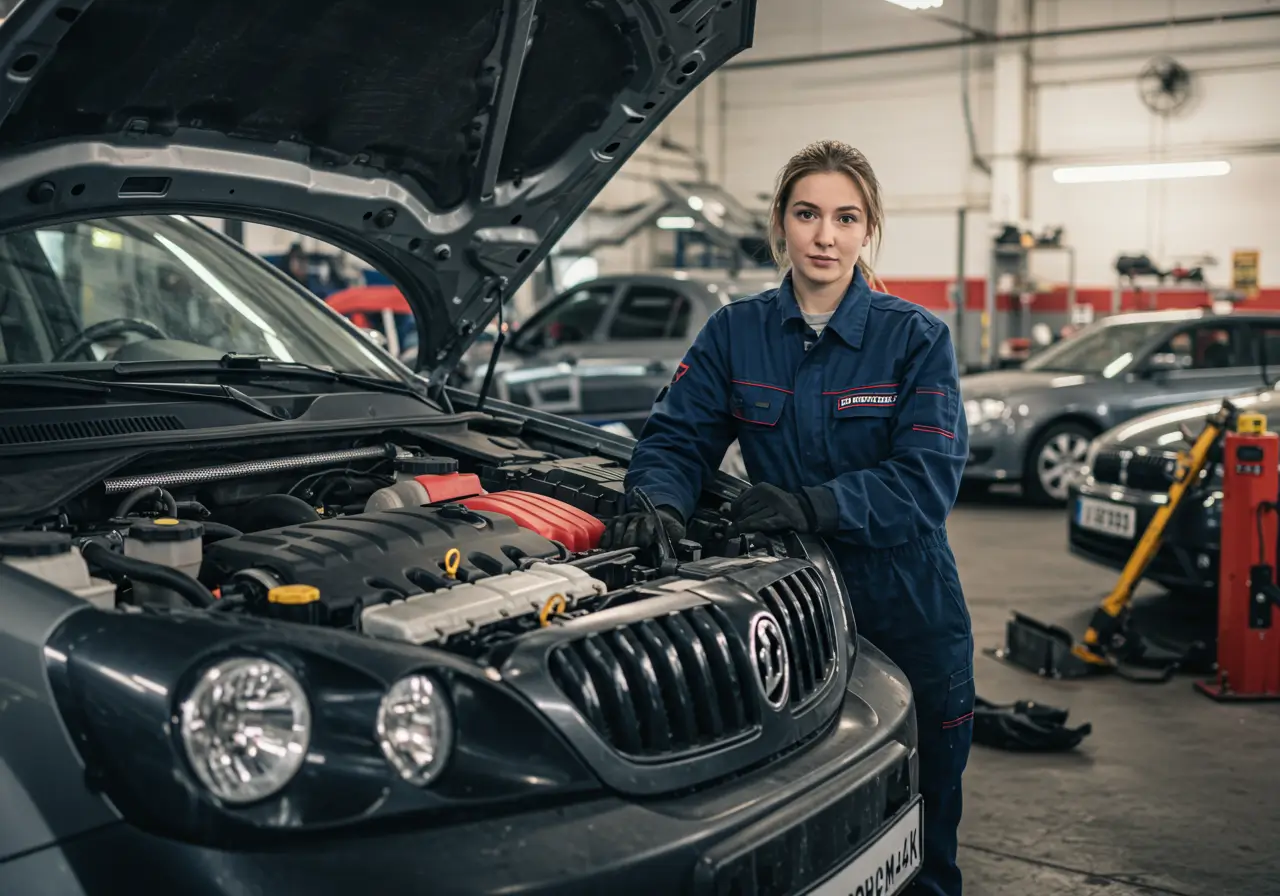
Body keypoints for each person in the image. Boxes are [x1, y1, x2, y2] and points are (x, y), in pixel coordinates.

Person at [600, 139, 974, 896]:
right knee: (808, 813)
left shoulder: (916, 339)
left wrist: (814, 505)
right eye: (807, 214)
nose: (825, 236)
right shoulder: (735, 333)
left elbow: (927, 479)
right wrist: (657, 505)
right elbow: (677, 437)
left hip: (908, 601)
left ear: (869, 229)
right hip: (792, 604)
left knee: (922, 813)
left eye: (845, 217)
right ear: (781, 222)